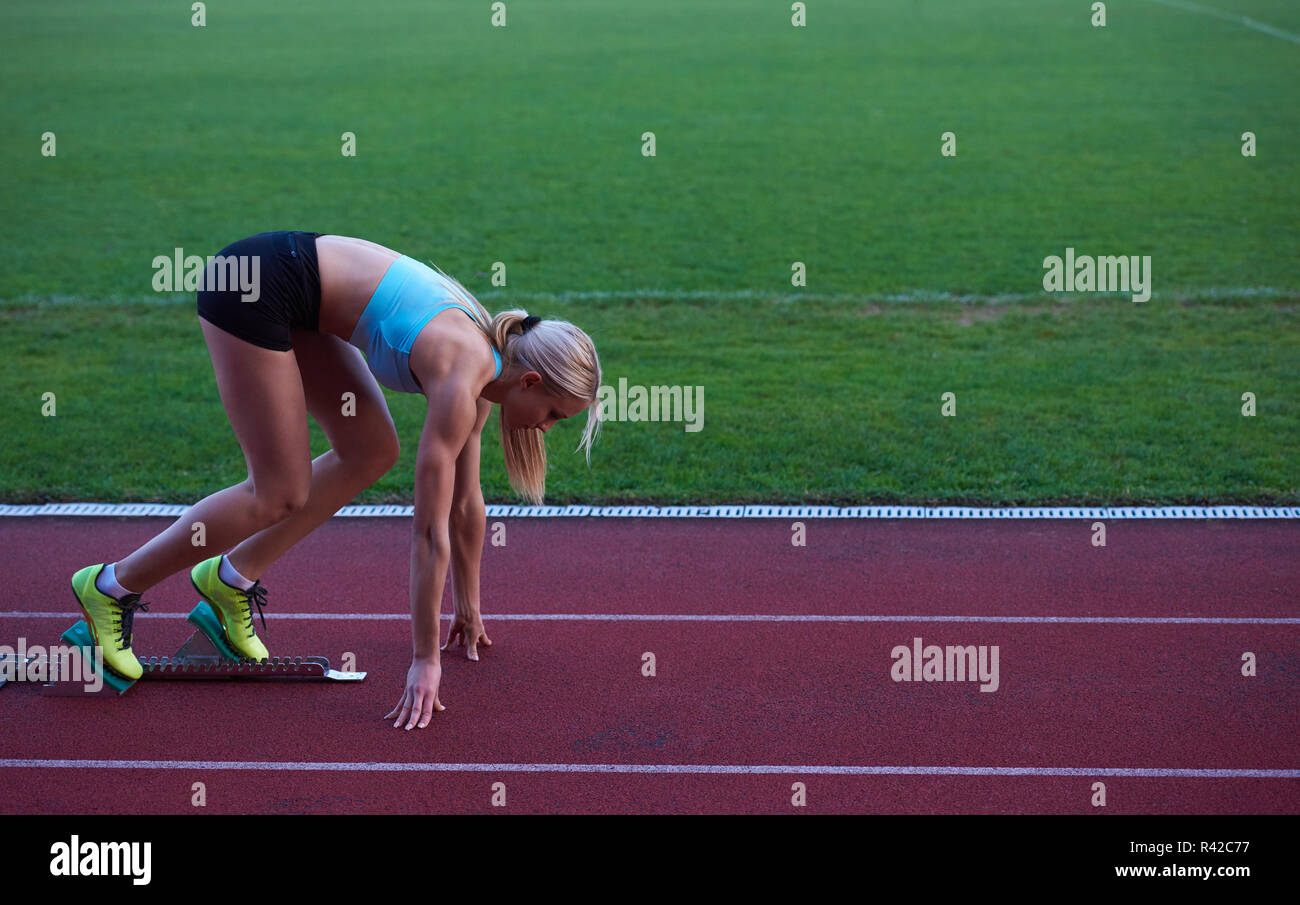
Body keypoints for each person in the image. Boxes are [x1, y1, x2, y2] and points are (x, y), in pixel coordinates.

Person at [68, 230, 602, 729]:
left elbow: (465, 505)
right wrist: (425, 658)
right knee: (277, 493)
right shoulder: (465, 374)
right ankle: (111, 587)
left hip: (300, 299)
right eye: (554, 414)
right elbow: (427, 531)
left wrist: (469, 606)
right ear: (530, 380)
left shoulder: (486, 370)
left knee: (370, 452)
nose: (547, 428)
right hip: (256, 286)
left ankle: (230, 578)